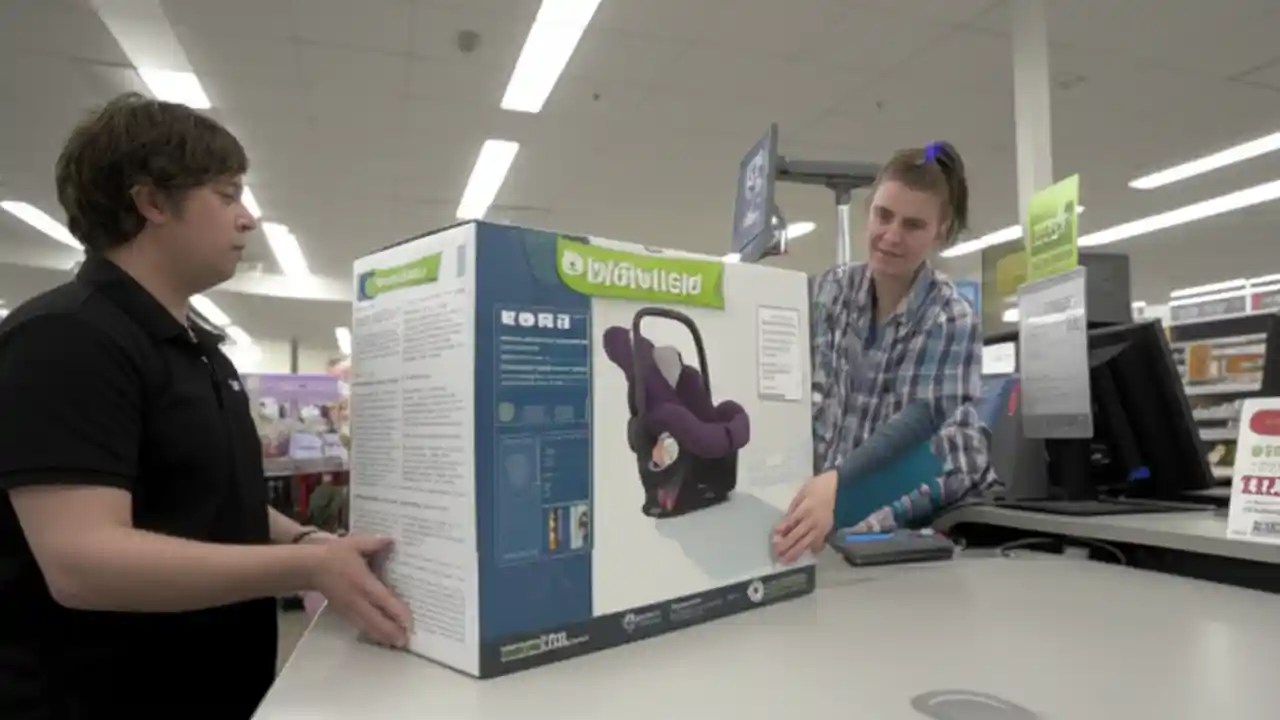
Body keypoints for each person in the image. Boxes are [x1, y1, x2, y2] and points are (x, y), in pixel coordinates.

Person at [0, 93, 413, 719]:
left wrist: (304, 536)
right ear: (152, 202)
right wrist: (305, 566)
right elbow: (81, 561)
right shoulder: (66, 339)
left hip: (211, 682)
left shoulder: (196, 349)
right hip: (101, 695)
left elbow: (211, 490)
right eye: (227, 196)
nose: (248, 219)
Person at [772, 141, 997, 564]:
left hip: (916, 490)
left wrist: (836, 494)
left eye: (913, 225)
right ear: (868, 211)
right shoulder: (832, 292)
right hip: (841, 486)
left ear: (941, 231)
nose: (891, 236)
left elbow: (915, 426)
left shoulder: (950, 316)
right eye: (884, 215)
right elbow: (809, 401)